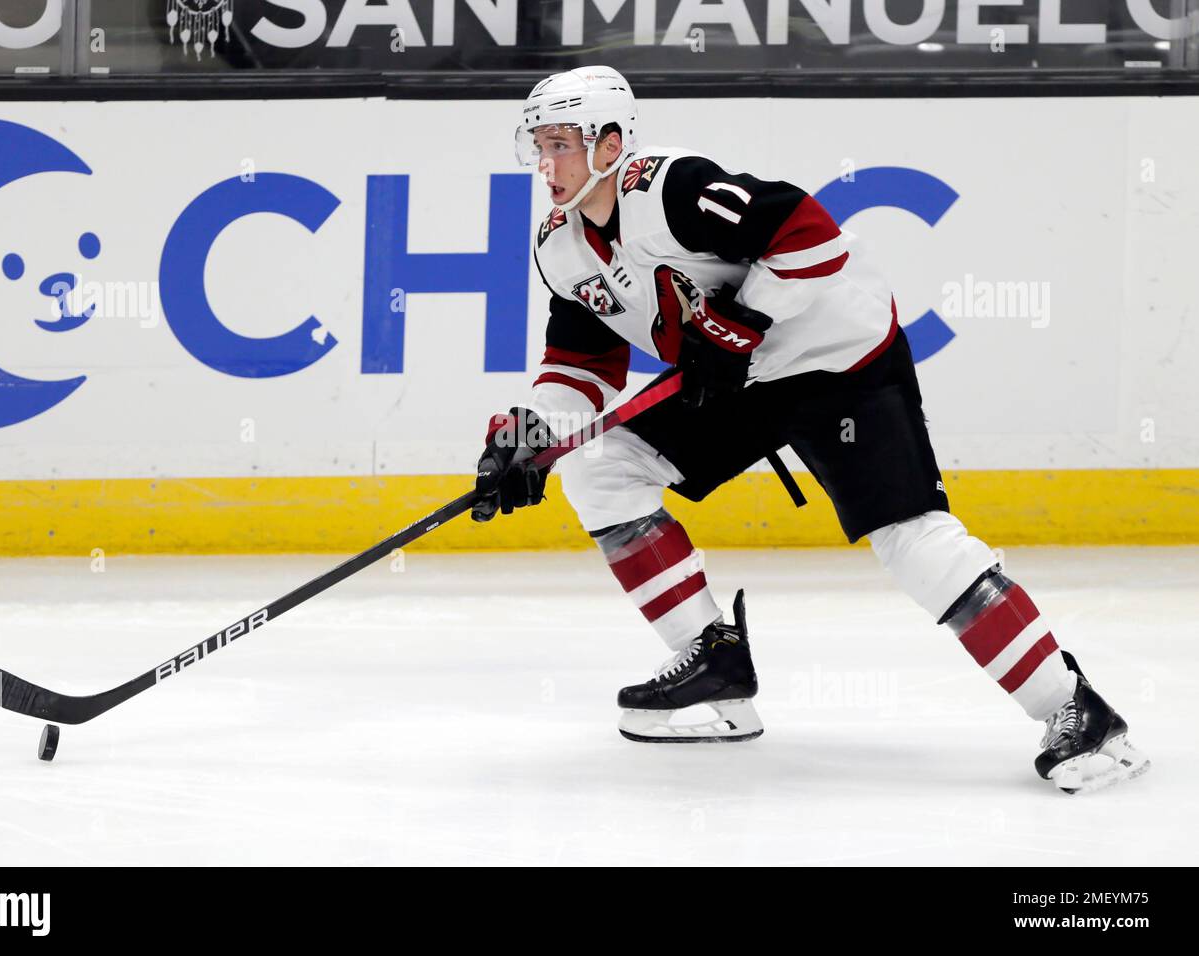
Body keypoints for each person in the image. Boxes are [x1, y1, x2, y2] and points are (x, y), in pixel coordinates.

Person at [471, 65, 1147, 793]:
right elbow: (582, 364)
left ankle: (1077, 709)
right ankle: (715, 666)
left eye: (561, 143)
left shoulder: (671, 189)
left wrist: (736, 325)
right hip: (742, 379)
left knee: (911, 540)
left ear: (611, 144)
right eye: (537, 145)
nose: (547, 163)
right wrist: (531, 433)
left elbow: (808, 233)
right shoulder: (559, 247)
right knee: (603, 467)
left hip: (837, 359)